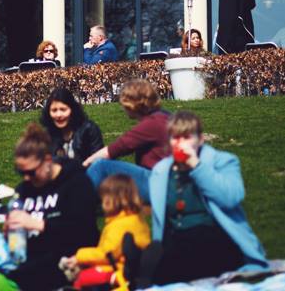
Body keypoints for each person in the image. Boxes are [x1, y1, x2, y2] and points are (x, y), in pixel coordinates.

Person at [129, 111, 267, 286]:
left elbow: (231, 197)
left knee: (193, 254)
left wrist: (197, 166)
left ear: (200, 140)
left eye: (186, 137)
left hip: (214, 238)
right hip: (176, 239)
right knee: (155, 264)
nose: (180, 143)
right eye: (175, 138)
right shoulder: (162, 171)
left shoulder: (222, 162)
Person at [0, 123, 99, 291]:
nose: (26, 178)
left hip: (68, 258)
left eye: (31, 172)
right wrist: (10, 231)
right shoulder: (25, 189)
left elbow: (83, 230)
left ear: (47, 161)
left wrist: (37, 224)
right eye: (21, 172)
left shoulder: (76, 182)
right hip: (32, 256)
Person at [82, 78, 169, 202]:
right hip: (168, 181)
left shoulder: (151, 124)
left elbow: (115, 149)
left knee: (101, 166)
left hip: (159, 185)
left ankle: (76, 203)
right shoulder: (164, 116)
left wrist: (83, 165)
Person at [67, 174, 151, 290]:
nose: (102, 203)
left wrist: (79, 256)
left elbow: (108, 254)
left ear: (118, 199)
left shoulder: (120, 225)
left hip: (121, 273)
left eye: (105, 199)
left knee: (82, 278)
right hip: (132, 270)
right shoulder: (134, 218)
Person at [40, 87, 104, 162]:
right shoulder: (48, 134)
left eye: (63, 110)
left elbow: (98, 161)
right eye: (54, 110)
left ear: (72, 110)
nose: (58, 115)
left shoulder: (89, 130)